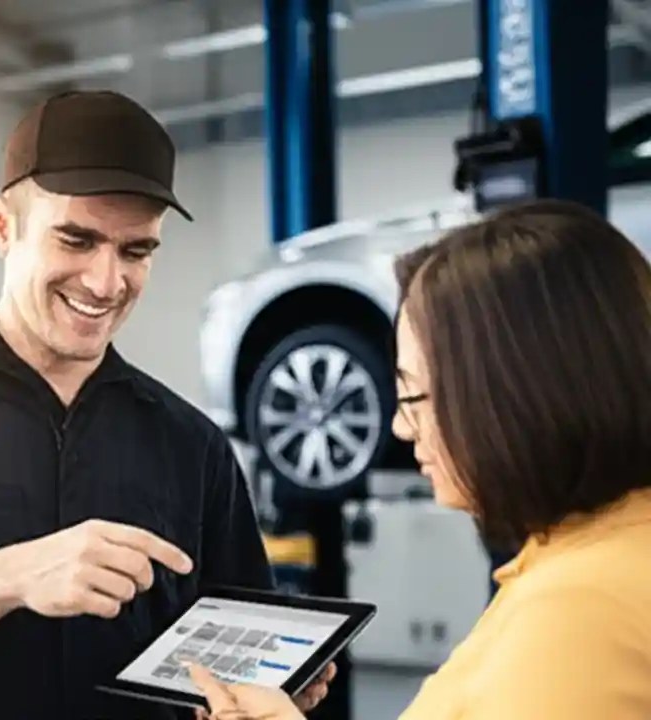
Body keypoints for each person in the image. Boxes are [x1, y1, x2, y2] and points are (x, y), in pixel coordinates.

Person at [0, 90, 334, 720]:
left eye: (136, 251)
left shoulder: (192, 445)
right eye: (76, 240)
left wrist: (262, 683)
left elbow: (222, 669)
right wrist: (15, 576)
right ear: (2, 227)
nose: (107, 283)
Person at [186, 199, 651, 720]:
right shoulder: (594, 558)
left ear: (510, 393)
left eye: (411, 396)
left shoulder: (577, 614)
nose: (399, 427)